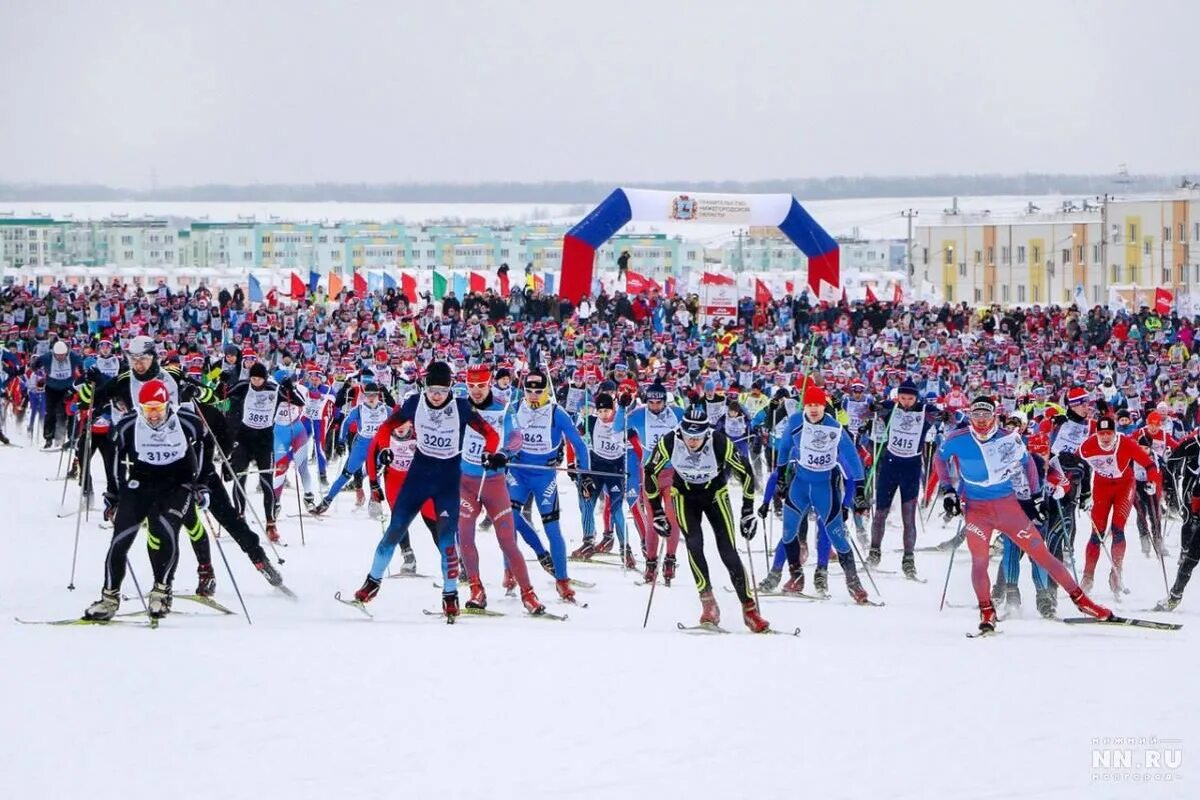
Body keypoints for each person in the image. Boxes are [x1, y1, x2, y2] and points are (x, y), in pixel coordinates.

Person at [935, 396, 1111, 634]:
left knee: (1042, 554)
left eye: (986, 416)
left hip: (1007, 507)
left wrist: (1037, 495)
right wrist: (948, 489)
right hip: (977, 510)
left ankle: (1082, 602)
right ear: (970, 416)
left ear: (995, 416)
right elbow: (940, 458)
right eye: (977, 416)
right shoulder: (958, 438)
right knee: (980, 560)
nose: (982, 422)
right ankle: (987, 611)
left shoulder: (1009, 438)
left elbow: (1029, 463)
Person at [349, 361, 501, 621]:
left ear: (451, 387)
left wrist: (490, 454)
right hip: (418, 476)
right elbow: (385, 428)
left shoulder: (461, 407)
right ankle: (372, 583)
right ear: (425, 387)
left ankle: (450, 594)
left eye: (443, 390)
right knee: (394, 531)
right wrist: (385, 448)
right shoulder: (413, 403)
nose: (437, 395)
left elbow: (491, 435)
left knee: (445, 541)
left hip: (447, 480)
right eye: (432, 390)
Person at [83, 379, 205, 621]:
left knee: (166, 531)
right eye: (147, 409)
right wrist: (113, 494)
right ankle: (109, 598)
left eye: (157, 409)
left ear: (167, 405)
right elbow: (116, 462)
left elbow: (202, 450)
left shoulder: (187, 423)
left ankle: (161, 591)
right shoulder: (130, 424)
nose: (153, 416)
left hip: (176, 484)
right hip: (141, 483)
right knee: (120, 539)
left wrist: (199, 485)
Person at [644, 404, 768, 632]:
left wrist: (747, 511)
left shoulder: (719, 442)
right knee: (694, 544)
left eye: (697, 437)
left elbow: (746, 473)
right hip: (684, 495)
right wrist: (657, 512)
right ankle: (708, 603)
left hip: (715, 495)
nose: (692, 442)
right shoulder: (670, 441)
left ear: (706, 433)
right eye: (688, 436)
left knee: (728, 551)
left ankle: (749, 609)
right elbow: (650, 471)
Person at [455, 364, 545, 615]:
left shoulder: (503, 407)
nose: (476, 391)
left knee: (507, 541)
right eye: (471, 386)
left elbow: (517, 437)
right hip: (466, 484)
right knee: (465, 536)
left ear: (489, 384)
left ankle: (528, 593)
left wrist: (502, 454)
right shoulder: (460, 407)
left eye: (481, 386)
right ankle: (476, 588)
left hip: (494, 483)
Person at [771, 384, 870, 602]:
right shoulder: (796, 421)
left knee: (838, 536)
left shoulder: (835, 427)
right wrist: (780, 475)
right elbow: (785, 447)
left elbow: (852, 457)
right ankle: (796, 577)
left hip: (824, 487)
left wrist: (860, 487)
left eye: (817, 405)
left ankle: (854, 584)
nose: (813, 409)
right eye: (809, 405)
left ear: (824, 406)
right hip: (799, 484)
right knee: (788, 532)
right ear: (804, 406)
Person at [507, 369, 592, 602]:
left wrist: (584, 474)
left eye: (539, 391)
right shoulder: (514, 408)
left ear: (546, 391)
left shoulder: (557, 413)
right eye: (529, 390)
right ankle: (518, 566)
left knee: (552, 528)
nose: (533, 395)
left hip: (544, 475)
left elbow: (580, 444)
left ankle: (562, 581)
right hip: (518, 472)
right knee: (509, 520)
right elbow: (498, 435)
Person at [1077, 416, 1159, 597]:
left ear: (1115, 434)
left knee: (1118, 529)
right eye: (1101, 434)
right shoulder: (1087, 446)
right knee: (1096, 532)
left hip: (1124, 487)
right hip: (1101, 488)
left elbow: (1149, 464)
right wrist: (1077, 487)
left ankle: (1116, 573)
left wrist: (1152, 481)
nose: (1105, 438)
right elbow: (1075, 464)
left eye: (1109, 434)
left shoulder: (1126, 443)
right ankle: (1087, 576)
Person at [867, 379, 935, 578]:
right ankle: (874, 552)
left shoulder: (924, 410)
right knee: (880, 513)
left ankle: (908, 559)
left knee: (908, 517)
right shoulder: (891, 407)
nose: (906, 402)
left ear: (916, 398)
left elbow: (948, 417)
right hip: (889, 466)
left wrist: (947, 415)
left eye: (910, 398)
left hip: (911, 469)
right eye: (903, 398)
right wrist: (874, 407)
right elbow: (871, 409)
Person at [225, 361, 281, 541]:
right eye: (253, 378)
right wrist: (222, 383)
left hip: (264, 440)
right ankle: (240, 519)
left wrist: (290, 387)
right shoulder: (244, 386)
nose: (256, 382)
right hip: (245, 438)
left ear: (265, 378)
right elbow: (221, 394)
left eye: (259, 379)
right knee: (239, 476)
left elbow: (298, 401)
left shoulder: (274, 388)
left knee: (266, 482)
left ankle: (270, 523)